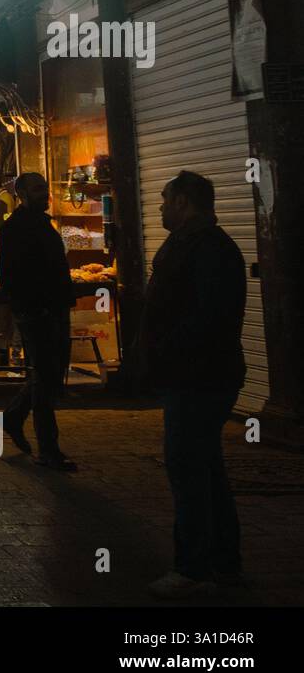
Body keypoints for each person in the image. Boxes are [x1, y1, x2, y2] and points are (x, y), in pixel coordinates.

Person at [140, 171, 246, 600]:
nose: (161, 207)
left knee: (187, 469)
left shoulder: (211, 249)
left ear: (184, 202)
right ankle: (224, 562)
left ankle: (193, 567)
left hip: (199, 376)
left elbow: (210, 317)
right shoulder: (191, 243)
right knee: (206, 469)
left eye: (165, 200)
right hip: (192, 373)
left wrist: (165, 348)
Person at [0, 172, 76, 471]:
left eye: (45, 188)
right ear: (23, 194)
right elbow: (9, 276)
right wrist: (30, 307)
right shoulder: (14, 229)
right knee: (45, 378)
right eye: (38, 189)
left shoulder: (43, 224)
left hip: (54, 309)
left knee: (50, 374)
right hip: (36, 313)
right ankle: (48, 448)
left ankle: (13, 416)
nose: (45, 193)